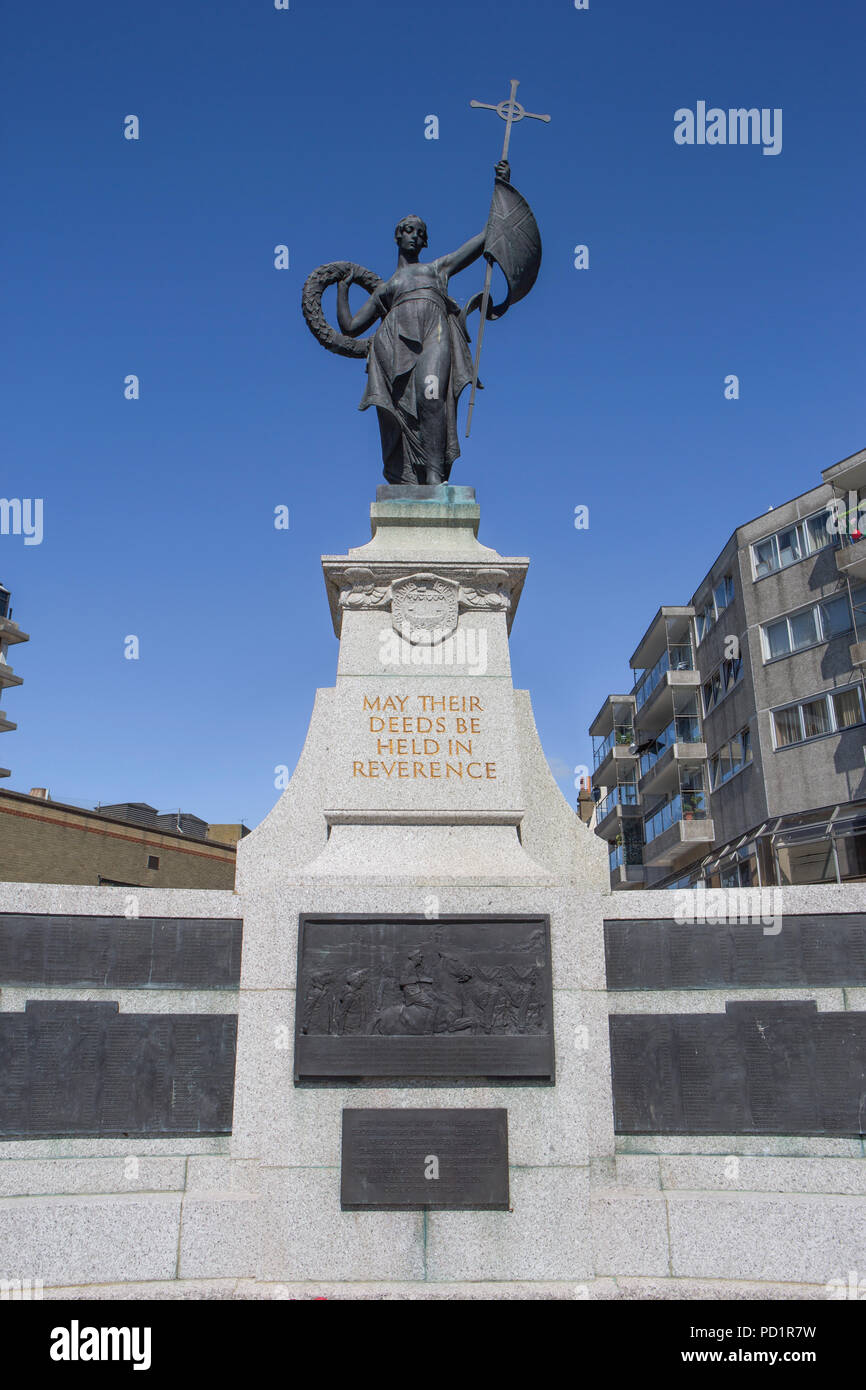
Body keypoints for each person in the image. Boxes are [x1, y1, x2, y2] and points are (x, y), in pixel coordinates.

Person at [335, 162, 511, 484]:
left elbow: (484, 238)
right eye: (408, 230)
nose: (414, 236)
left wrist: (501, 188)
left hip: (435, 333)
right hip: (395, 348)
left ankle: (434, 477)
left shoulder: (436, 269)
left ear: (426, 242)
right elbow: (349, 326)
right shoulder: (385, 289)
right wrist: (342, 289)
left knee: (431, 395)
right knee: (406, 408)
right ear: (397, 236)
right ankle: (412, 476)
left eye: (420, 233)